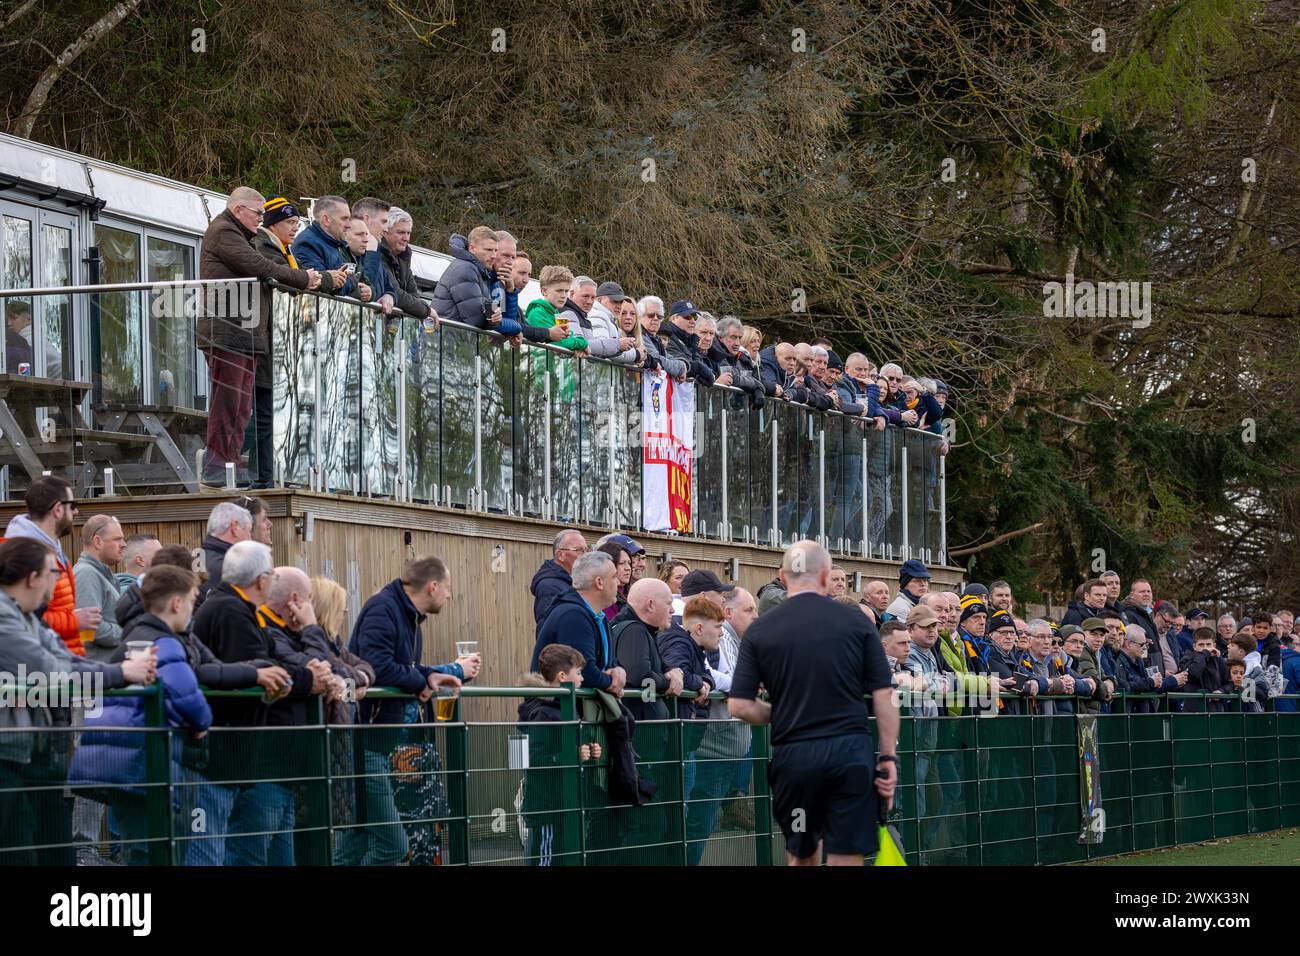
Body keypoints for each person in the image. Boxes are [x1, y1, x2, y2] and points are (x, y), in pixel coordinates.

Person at [728, 540, 898, 867]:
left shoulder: (760, 630)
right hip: (850, 755)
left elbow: (738, 706)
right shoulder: (858, 622)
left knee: (801, 852)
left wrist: (783, 713)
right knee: (846, 854)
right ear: (825, 577)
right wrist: (888, 756)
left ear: (782, 575)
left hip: (796, 761)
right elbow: (885, 695)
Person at [0, 537, 157, 865]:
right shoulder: (6, 617)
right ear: (32, 578)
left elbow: (66, 660)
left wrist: (120, 671)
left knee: (46, 850)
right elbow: (49, 671)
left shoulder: (27, 617)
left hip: (29, 751)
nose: (57, 581)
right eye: (52, 573)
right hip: (11, 753)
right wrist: (122, 673)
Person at [189, 541, 330, 865]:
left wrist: (310, 674)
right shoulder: (229, 610)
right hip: (228, 757)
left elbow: (271, 661)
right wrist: (309, 679)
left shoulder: (241, 610)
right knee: (237, 855)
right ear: (260, 580)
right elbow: (256, 666)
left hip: (244, 758)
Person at [68, 565, 208, 865]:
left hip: (123, 764)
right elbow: (188, 696)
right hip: (144, 765)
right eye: (192, 601)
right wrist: (202, 722)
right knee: (153, 850)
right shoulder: (164, 642)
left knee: (138, 845)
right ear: (176, 603)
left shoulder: (133, 637)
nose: (192, 611)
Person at [341, 557, 464, 866]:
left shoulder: (405, 615)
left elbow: (401, 667)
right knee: (392, 846)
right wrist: (422, 678)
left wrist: (427, 675)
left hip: (377, 743)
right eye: (447, 589)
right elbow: (377, 666)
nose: (449, 596)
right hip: (368, 740)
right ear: (433, 586)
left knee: (353, 846)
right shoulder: (384, 609)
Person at [198, 186, 319, 484]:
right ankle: (217, 467)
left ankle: (228, 464)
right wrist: (304, 278)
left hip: (242, 334)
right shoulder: (224, 232)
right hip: (227, 332)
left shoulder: (239, 234)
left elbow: (262, 269)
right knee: (229, 404)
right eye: (258, 213)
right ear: (239, 210)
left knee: (240, 407)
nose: (261, 219)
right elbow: (259, 266)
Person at [517, 644, 601, 866]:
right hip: (547, 807)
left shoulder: (568, 707)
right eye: (579, 673)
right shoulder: (543, 713)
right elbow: (537, 760)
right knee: (545, 858)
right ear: (562, 676)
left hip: (566, 803)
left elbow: (570, 748)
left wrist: (589, 751)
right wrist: (572, 755)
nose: (583, 679)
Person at [249, 196, 311, 486]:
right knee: (264, 414)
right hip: (266, 342)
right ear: (273, 224)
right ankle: (263, 477)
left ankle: (272, 474)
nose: (295, 228)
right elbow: (287, 281)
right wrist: (312, 279)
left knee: (272, 414)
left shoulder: (285, 250)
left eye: (297, 223)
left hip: (279, 342)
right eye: (290, 222)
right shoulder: (264, 246)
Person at [3, 475, 94, 655]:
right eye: (72, 505)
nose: (76, 512)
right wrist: (74, 621)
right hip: (42, 669)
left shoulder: (51, 549)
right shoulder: (23, 555)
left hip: (62, 662)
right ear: (58, 509)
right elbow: (19, 619)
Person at [531, 551, 626, 696]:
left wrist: (619, 670)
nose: (619, 583)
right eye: (614, 577)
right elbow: (585, 673)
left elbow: (609, 663)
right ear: (599, 582)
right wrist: (612, 682)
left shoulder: (598, 616)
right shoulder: (572, 616)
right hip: (558, 712)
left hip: (580, 711)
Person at [610, 578, 682, 720]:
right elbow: (640, 677)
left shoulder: (642, 630)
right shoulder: (634, 631)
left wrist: (672, 670)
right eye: (668, 604)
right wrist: (668, 682)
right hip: (641, 732)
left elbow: (655, 665)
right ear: (650, 605)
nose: (672, 610)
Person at [431, 226, 521, 338]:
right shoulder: (466, 269)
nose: (493, 256)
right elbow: (477, 319)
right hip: (441, 343)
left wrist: (510, 290)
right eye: (489, 250)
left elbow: (501, 319)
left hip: (452, 343)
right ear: (472, 248)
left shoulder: (485, 274)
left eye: (495, 251)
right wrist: (515, 327)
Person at [72, 514, 127, 662]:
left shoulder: (99, 574)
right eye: (117, 539)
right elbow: (90, 630)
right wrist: (129, 633)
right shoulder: (86, 574)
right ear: (98, 541)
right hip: (97, 677)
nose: (124, 544)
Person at [290, 195, 360, 298]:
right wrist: (354, 282)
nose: (349, 225)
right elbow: (322, 286)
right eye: (344, 218)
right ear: (326, 219)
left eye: (349, 218)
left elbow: (360, 276)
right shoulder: (307, 244)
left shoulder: (340, 244)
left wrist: (370, 292)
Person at [377, 206, 437, 322]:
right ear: (385, 231)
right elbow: (397, 294)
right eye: (400, 232)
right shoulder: (377, 254)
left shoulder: (403, 259)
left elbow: (414, 297)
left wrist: (420, 308)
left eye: (408, 233)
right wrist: (427, 311)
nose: (406, 238)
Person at [1113, 623, 1185, 713]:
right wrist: (1168, 681)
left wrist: (1159, 681)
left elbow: (1150, 685)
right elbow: (1127, 686)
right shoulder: (1118, 661)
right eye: (1142, 644)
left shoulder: (1138, 660)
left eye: (1146, 644)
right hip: (1127, 716)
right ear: (1128, 644)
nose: (1144, 648)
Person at [196, 500, 253, 607]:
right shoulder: (230, 569)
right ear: (235, 527)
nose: (250, 538)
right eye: (249, 531)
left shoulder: (193, 558)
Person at [524, 265, 588, 351]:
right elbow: (559, 344)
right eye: (559, 291)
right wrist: (583, 344)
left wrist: (577, 348)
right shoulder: (537, 314)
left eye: (566, 291)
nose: (564, 296)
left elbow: (567, 340)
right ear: (544, 291)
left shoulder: (558, 314)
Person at [531, 529, 587, 624]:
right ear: (560, 555)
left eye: (587, 550)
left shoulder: (572, 581)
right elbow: (549, 627)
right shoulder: (549, 587)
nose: (586, 555)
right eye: (579, 550)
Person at [663, 300, 716, 385]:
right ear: (674, 318)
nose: (692, 321)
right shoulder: (666, 337)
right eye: (687, 317)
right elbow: (678, 364)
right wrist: (699, 369)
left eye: (695, 317)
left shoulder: (690, 340)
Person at [1178, 626, 1230, 709]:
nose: (1205, 648)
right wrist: (1205, 654)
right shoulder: (1187, 658)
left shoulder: (1219, 660)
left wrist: (1221, 691)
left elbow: (1229, 682)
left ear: (1214, 645)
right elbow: (1193, 673)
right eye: (1201, 645)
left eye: (1208, 645)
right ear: (1194, 646)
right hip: (1194, 711)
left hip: (1216, 710)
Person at [637, 296, 687, 380]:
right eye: (651, 315)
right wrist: (682, 367)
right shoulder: (640, 336)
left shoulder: (655, 339)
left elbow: (669, 358)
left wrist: (684, 364)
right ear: (639, 317)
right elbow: (658, 359)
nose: (656, 319)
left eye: (659, 316)